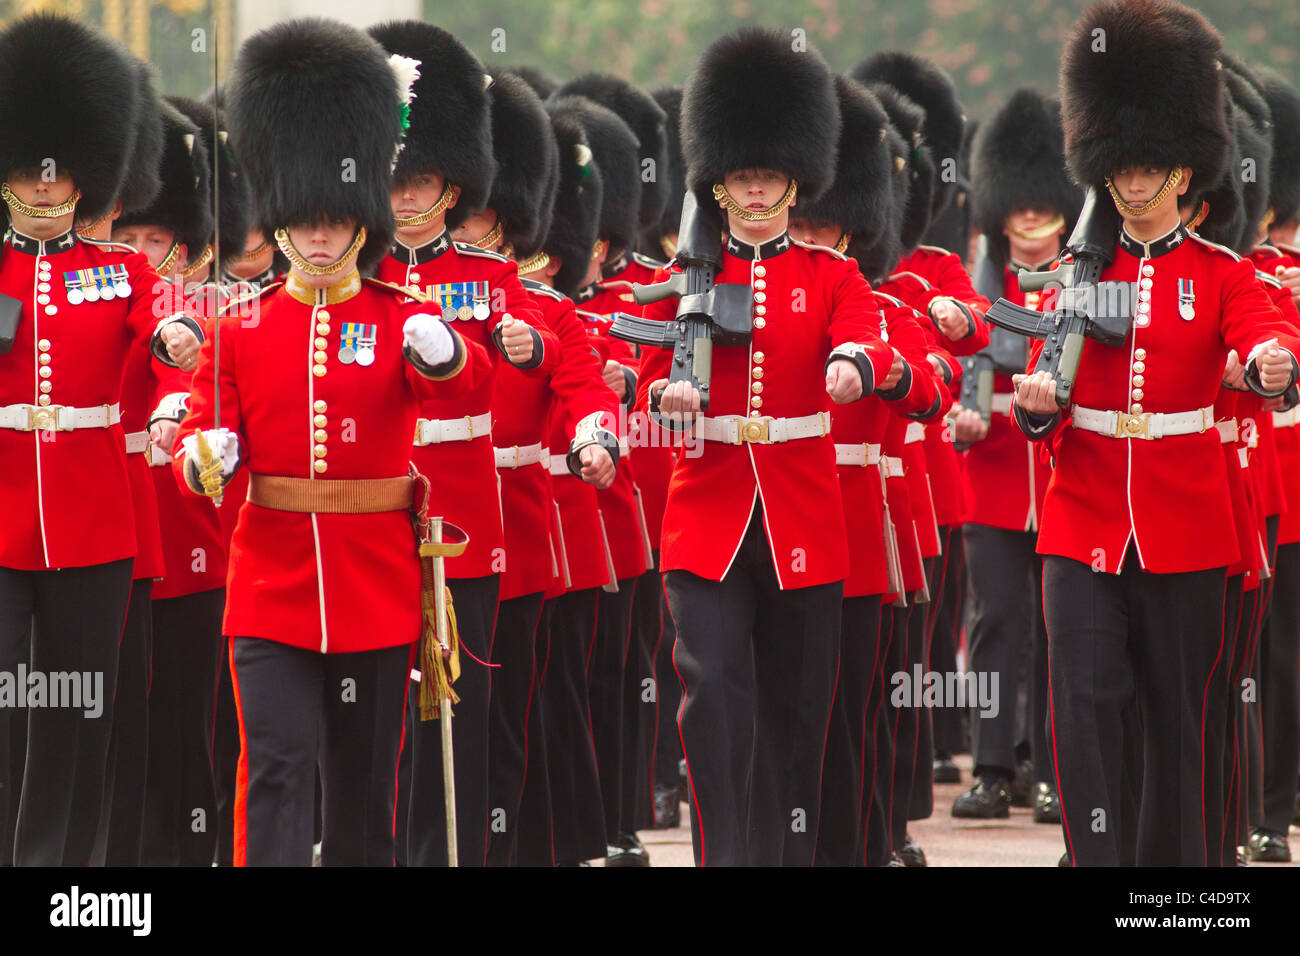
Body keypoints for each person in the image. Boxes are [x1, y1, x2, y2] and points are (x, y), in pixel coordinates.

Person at [174, 17, 490, 866]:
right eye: (303, 221)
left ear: (359, 222)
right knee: (275, 766)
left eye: (333, 221)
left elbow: (462, 386)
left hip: (373, 584)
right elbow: (208, 435)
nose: (318, 237)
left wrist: (445, 346)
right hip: (270, 584)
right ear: (280, 220)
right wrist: (201, 459)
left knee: (361, 783)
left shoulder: (397, 317)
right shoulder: (240, 326)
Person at [1012, 0, 1300, 866]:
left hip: (1184, 519)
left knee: (1183, 716)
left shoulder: (1221, 273)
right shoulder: (1071, 274)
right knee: (1086, 703)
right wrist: (1035, 402)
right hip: (1083, 515)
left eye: (1151, 171)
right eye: (1121, 171)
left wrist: (1272, 361)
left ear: (1185, 174)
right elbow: (1042, 391)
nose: (1135, 186)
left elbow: (1262, 332)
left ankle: (1179, 880)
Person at [635, 27, 902, 866]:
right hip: (707, 518)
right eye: (741, 176)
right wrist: (664, 392)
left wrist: (856, 365)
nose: (755, 191)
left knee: (796, 717)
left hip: (802, 520)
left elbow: (866, 339)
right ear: (717, 183)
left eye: (769, 176)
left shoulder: (832, 276)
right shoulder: (688, 281)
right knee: (712, 699)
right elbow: (642, 372)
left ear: (797, 181)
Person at [0, 13, 201, 866]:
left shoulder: (123, 269)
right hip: (4, 518)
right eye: (30, 176)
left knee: (83, 706)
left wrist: (174, 355)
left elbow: (167, 332)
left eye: (61, 178)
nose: (47, 192)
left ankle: (61, 867)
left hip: (90, 521)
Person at [367, 21, 559, 868]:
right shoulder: (354, 282)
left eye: (421, 184)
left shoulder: (491, 281)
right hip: (370, 518)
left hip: (463, 529)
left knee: (460, 713)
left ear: (452, 188)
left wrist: (529, 348)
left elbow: (542, 341)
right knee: (379, 716)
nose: (405, 199)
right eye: (394, 182)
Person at [952, 88, 1080, 825]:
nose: (1029, 217)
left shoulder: (1084, 273)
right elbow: (958, 360)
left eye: (1042, 203)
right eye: (1017, 204)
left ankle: (1055, 768)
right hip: (996, 468)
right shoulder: (983, 279)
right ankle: (994, 763)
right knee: (995, 618)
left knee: (1060, 623)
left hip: (1064, 470)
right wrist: (966, 416)